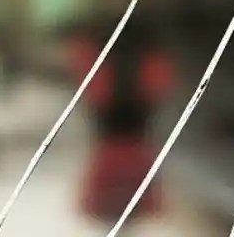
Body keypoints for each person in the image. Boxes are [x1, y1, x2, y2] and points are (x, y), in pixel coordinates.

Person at [66, 16, 174, 222]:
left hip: (117, 126)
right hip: (129, 127)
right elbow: (158, 84)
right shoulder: (149, 53)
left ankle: (122, 197)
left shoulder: (98, 52)